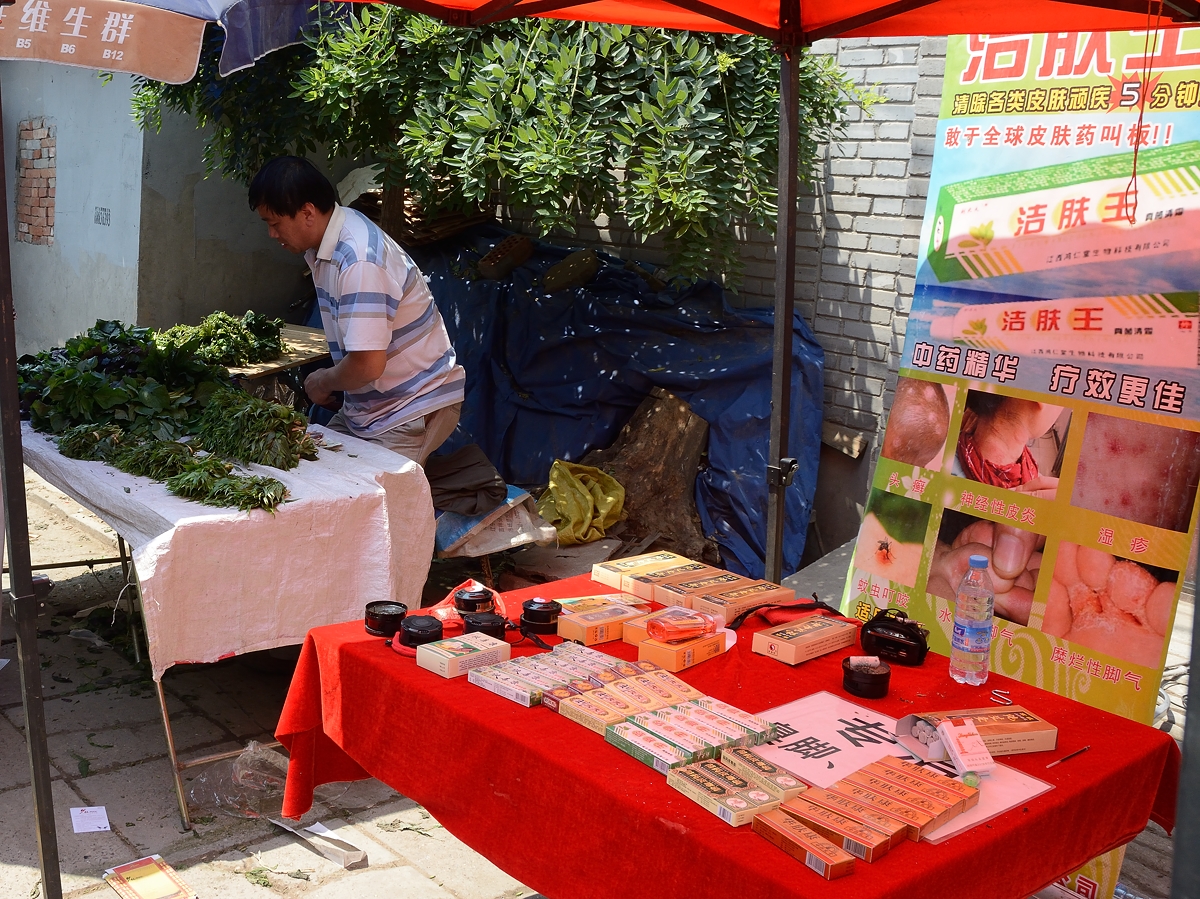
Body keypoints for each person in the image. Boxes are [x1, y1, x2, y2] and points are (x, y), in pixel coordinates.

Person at [249, 156, 464, 465]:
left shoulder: (359, 260)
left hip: (409, 408)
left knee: (368, 493)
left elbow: (367, 365)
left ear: (307, 212)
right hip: (368, 409)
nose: (272, 234)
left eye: (274, 224)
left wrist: (323, 381)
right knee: (311, 470)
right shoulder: (332, 236)